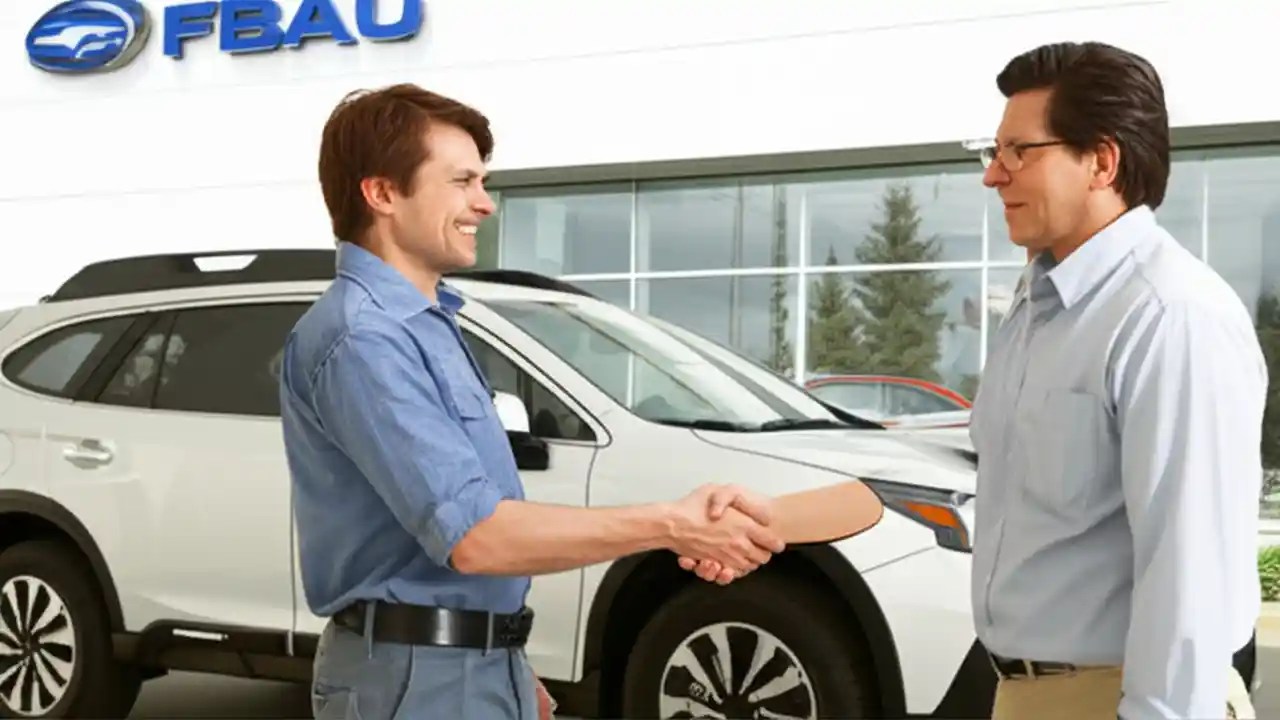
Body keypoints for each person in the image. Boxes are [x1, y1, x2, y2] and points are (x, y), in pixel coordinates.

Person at [278, 83, 786, 720]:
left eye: (482, 182)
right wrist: (671, 523)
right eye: (462, 181)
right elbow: (478, 536)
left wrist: (504, 669)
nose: (484, 204)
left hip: (470, 668)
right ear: (382, 193)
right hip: (420, 683)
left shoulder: (426, 323)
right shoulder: (365, 338)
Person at [968, 41, 1266, 719]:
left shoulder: (1171, 316)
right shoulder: (1037, 308)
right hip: (1026, 697)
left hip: (1123, 700)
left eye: (1019, 151)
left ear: (1101, 161)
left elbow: (1190, 574)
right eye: (991, 152)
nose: (993, 175)